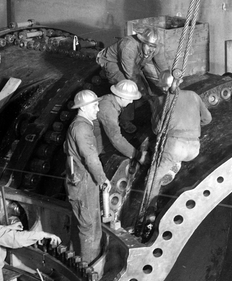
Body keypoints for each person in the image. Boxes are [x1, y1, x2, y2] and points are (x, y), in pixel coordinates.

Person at [145, 73, 212, 207]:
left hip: (175, 147)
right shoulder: (194, 95)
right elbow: (208, 119)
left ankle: (149, 210)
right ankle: (175, 166)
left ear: (163, 87)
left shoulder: (161, 100)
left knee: (152, 178)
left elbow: (157, 129)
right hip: (194, 148)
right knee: (175, 154)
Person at [64, 89, 111, 265]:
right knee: (89, 227)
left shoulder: (79, 124)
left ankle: (80, 264)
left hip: (79, 178)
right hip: (83, 180)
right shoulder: (81, 128)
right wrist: (102, 179)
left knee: (85, 224)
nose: (97, 109)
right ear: (83, 108)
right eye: (95, 105)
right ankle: (90, 271)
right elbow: (90, 157)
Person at [96, 27, 161, 132]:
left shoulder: (154, 47)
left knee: (145, 85)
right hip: (112, 61)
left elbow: (162, 65)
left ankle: (140, 105)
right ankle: (125, 120)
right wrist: (143, 91)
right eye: (149, 46)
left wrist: (167, 76)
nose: (152, 49)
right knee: (128, 88)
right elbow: (131, 75)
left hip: (132, 62)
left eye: (154, 46)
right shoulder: (128, 46)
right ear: (141, 42)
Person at [98, 79, 148, 164]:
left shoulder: (110, 99)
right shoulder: (108, 110)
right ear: (121, 96)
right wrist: (137, 155)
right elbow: (116, 139)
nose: (131, 101)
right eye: (129, 99)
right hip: (91, 142)